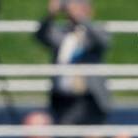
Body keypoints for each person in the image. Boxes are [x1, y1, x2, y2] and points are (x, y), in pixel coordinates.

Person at [36, 1, 110, 129]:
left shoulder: (95, 31)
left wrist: (81, 19)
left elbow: (103, 41)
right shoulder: (63, 33)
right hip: (62, 96)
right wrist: (50, 15)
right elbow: (41, 36)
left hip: (88, 97)